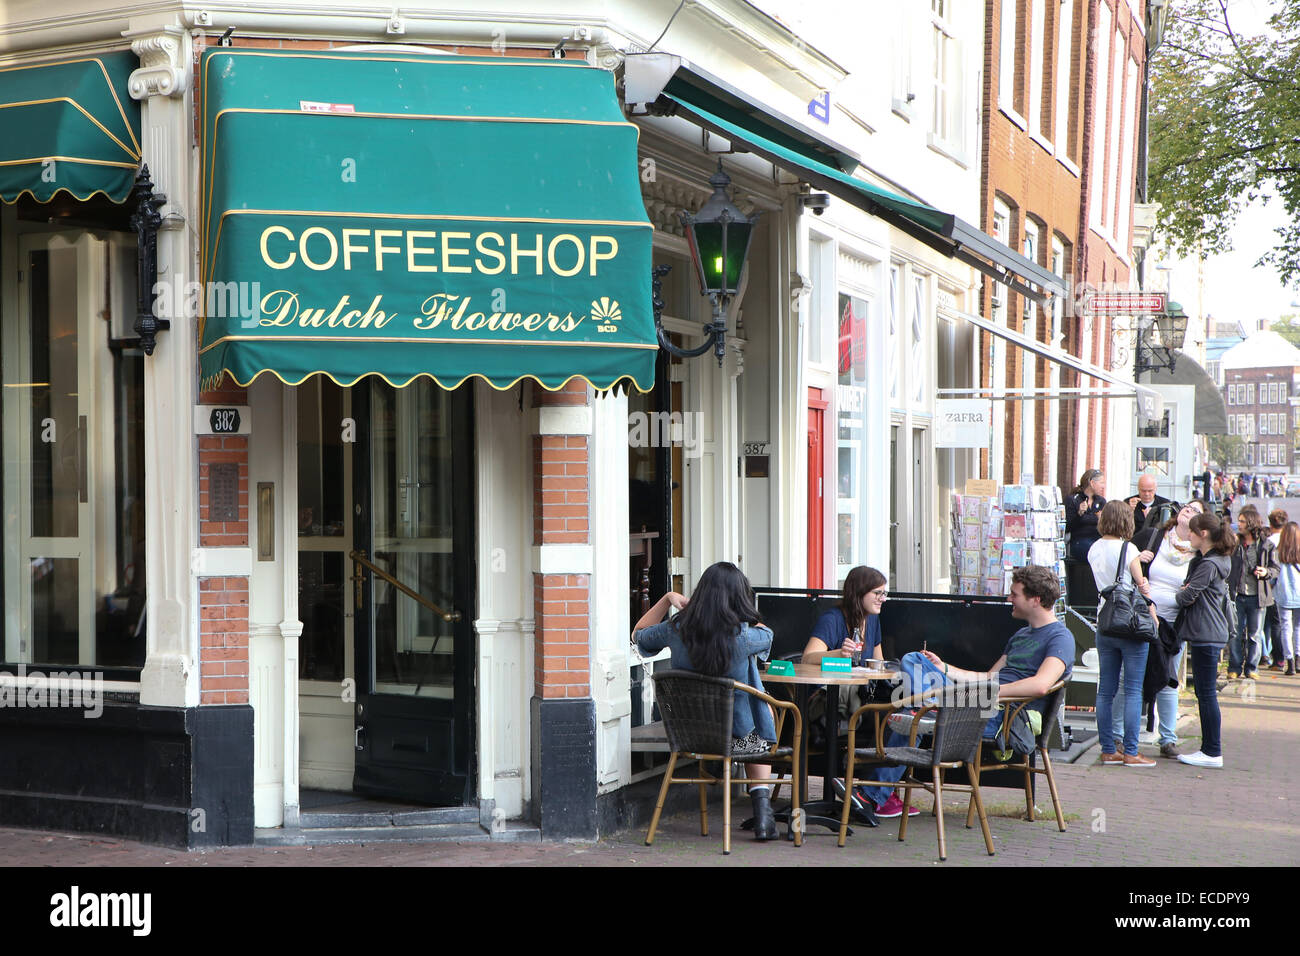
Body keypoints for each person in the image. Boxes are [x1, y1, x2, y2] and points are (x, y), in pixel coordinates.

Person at [632, 562, 780, 841]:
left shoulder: (675, 629)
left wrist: (667, 598)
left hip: (689, 737)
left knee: (756, 708)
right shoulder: (745, 636)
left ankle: (715, 768)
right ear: (738, 598)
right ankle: (763, 815)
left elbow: (638, 634)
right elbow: (768, 634)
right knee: (763, 709)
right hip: (739, 740)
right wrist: (745, 614)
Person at [896, 565, 1075, 743]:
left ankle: (931, 712)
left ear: (1035, 600)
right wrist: (944, 667)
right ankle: (932, 710)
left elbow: (1040, 685)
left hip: (1006, 715)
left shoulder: (1060, 638)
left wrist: (990, 693)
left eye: (1015, 594)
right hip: (979, 700)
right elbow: (989, 677)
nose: (1009, 598)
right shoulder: (1020, 635)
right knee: (914, 659)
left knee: (905, 722)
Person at [801, 566, 917, 819]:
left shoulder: (872, 619)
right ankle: (876, 792)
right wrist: (838, 653)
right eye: (877, 592)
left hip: (861, 697)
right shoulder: (833, 618)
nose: (882, 598)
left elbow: (878, 663)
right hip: (826, 703)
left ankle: (878, 790)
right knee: (896, 716)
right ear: (859, 592)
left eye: (885, 593)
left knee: (908, 715)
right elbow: (808, 657)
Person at [1127, 499, 1206, 757]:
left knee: (1169, 679)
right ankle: (1123, 738)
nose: (1188, 510)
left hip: (1173, 625)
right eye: (1188, 506)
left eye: (1196, 511)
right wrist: (1139, 559)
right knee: (1133, 676)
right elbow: (1125, 554)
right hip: (1144, 618)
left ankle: (1168, 739)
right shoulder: (1154, 536)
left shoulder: (1199, 553)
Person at [1087, 501, 1157, 767]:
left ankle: (1108, 750)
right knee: (1132, 690)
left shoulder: (1093, 549)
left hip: (1105, 621)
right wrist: (1152, 608)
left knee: (1105, 690)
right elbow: (1141, 586)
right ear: (1126, 521)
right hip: (1131, 625)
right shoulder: (1130, 550)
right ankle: (1130, 751)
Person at [1174, 513, 1235, 769]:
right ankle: (1209, 749)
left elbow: (1186, 597)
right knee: (1205, 693)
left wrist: (1180, 591)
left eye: (1192, 531)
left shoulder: (1209, 565)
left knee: (1206, 694)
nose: (1187, 535)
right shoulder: (1217, 561)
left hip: (1206, 633)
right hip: (1211, 632)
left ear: (1204, 534)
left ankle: (1212, 750)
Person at [1226, 505, 1277, 680]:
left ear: (1250, 523)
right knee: (1235, 632)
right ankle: (1234, 666)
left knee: (1255, 634)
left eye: (1241, 521)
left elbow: (1275, 568)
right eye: (1238, 521)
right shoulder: (1235, 542)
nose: (1238, 524)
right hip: (1237, 594)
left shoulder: (1265, 545)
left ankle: (1252, 667)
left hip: (1258, 596)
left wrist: (1266, 572)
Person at [1273, 522, 1300, 676]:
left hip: (1283, 594)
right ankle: (1298, 659)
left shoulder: (1278, 553)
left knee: (1285, 626)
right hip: (1299, 594)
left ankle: (1289, 662)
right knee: (1298, 627)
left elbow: (1273, 575)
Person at [1066, 469, 1107, 562]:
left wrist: (1102, 520)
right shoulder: (1073, 500)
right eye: (1101, 482)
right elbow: (1067, 527)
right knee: (1096, 553)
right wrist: (1079, 514)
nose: (1103, 486)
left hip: (1099, 540)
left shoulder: (1101, 501)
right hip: (1080, 541)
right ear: (1092, 483)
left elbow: (1106, 528)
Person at [1265, 509, 1289, 669]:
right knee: (1288, 625)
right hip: (1290, 587)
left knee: (1273, 624)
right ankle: (1290, 657)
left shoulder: (1270, 541)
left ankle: (1276, 657)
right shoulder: (1291, 539)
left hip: (1274, 587)